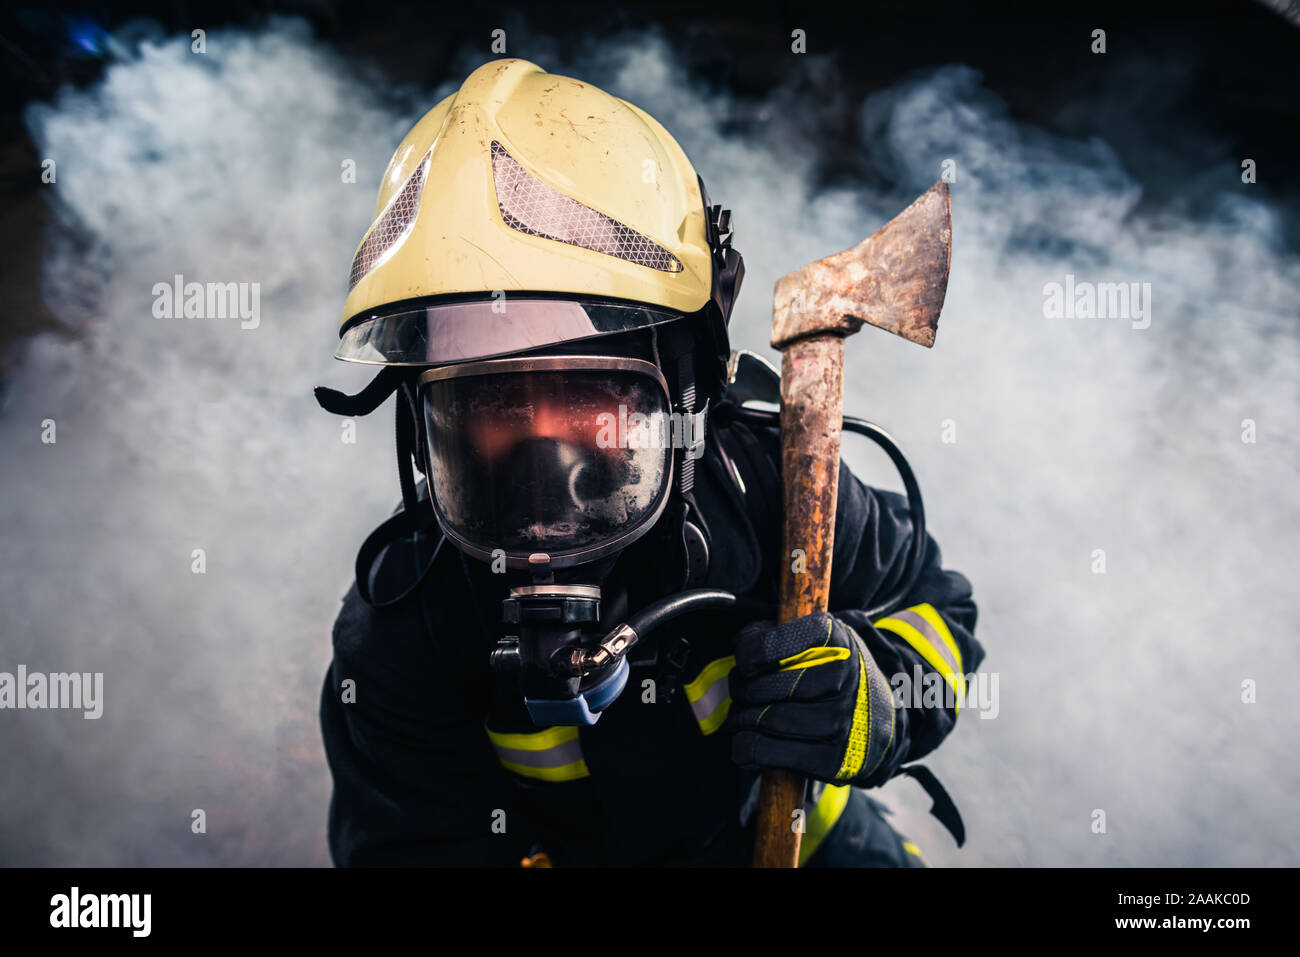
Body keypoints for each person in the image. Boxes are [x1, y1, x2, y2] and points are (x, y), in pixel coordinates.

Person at [315, 58, 983, 867]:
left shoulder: (775, 487)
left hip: (813, 844)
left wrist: (879, 702)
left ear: (687, 384)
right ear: (422, 420)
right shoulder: (407, 628)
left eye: (589, 399)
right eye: (491, 410)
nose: (546, 464)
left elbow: (939, 612)